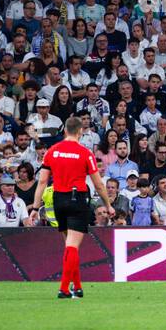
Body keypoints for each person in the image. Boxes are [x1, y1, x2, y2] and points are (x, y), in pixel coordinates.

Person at [28, 115, 115, 298]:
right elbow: (98, 184)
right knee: (73, 246)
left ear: (65, 130)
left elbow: (42, 181)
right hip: (77, 199)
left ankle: (77, 286)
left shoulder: (52, 151)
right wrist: (108, 204)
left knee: (69, 245)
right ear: (81, 131)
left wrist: (35, 208)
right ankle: (64, 288)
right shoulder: (85, 153)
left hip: (58, 200)